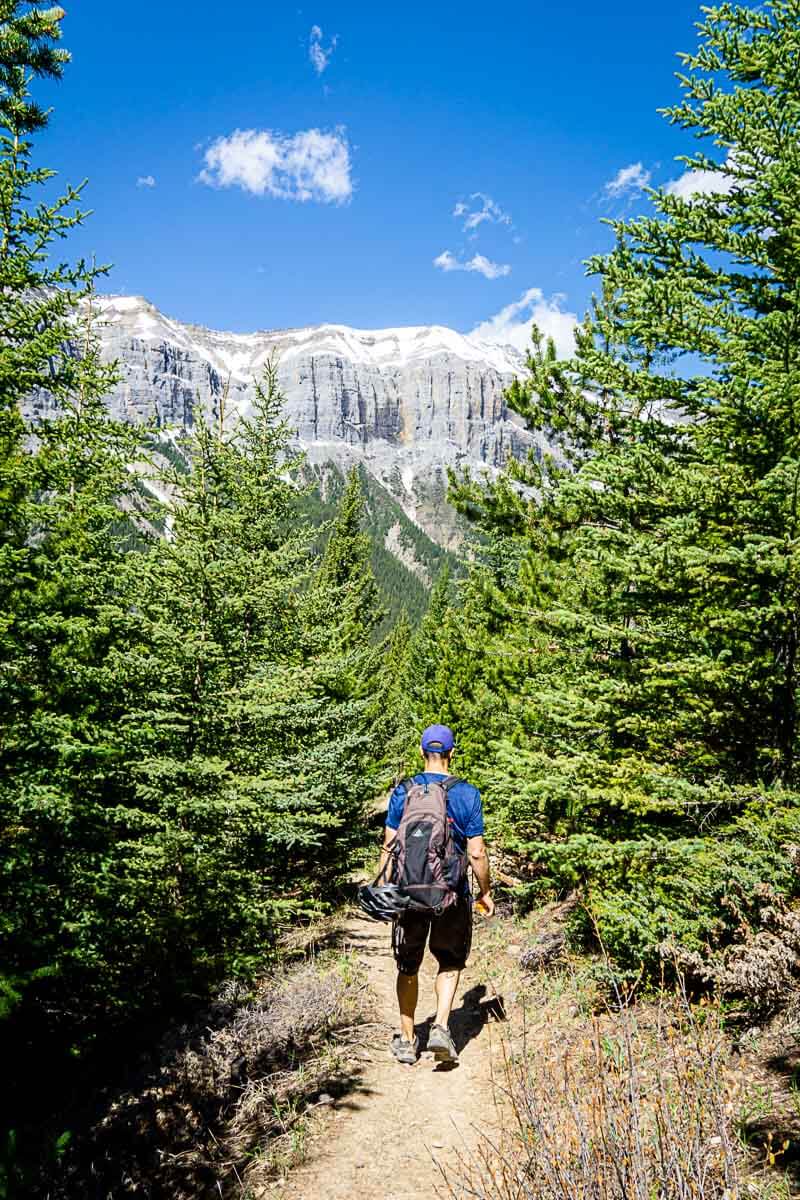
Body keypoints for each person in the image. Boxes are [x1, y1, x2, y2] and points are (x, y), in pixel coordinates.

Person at [379, 723, 494, 1065]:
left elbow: (389, 844)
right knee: (449, 959)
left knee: (408, 964)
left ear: (421, 753)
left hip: (409, 892)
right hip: (453, 893)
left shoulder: (404, 790)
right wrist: (485, 891)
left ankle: (406, 1038)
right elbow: (476, 852)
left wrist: (385, 886)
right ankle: (441, 1027)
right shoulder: (466, 793)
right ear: (451, 752)